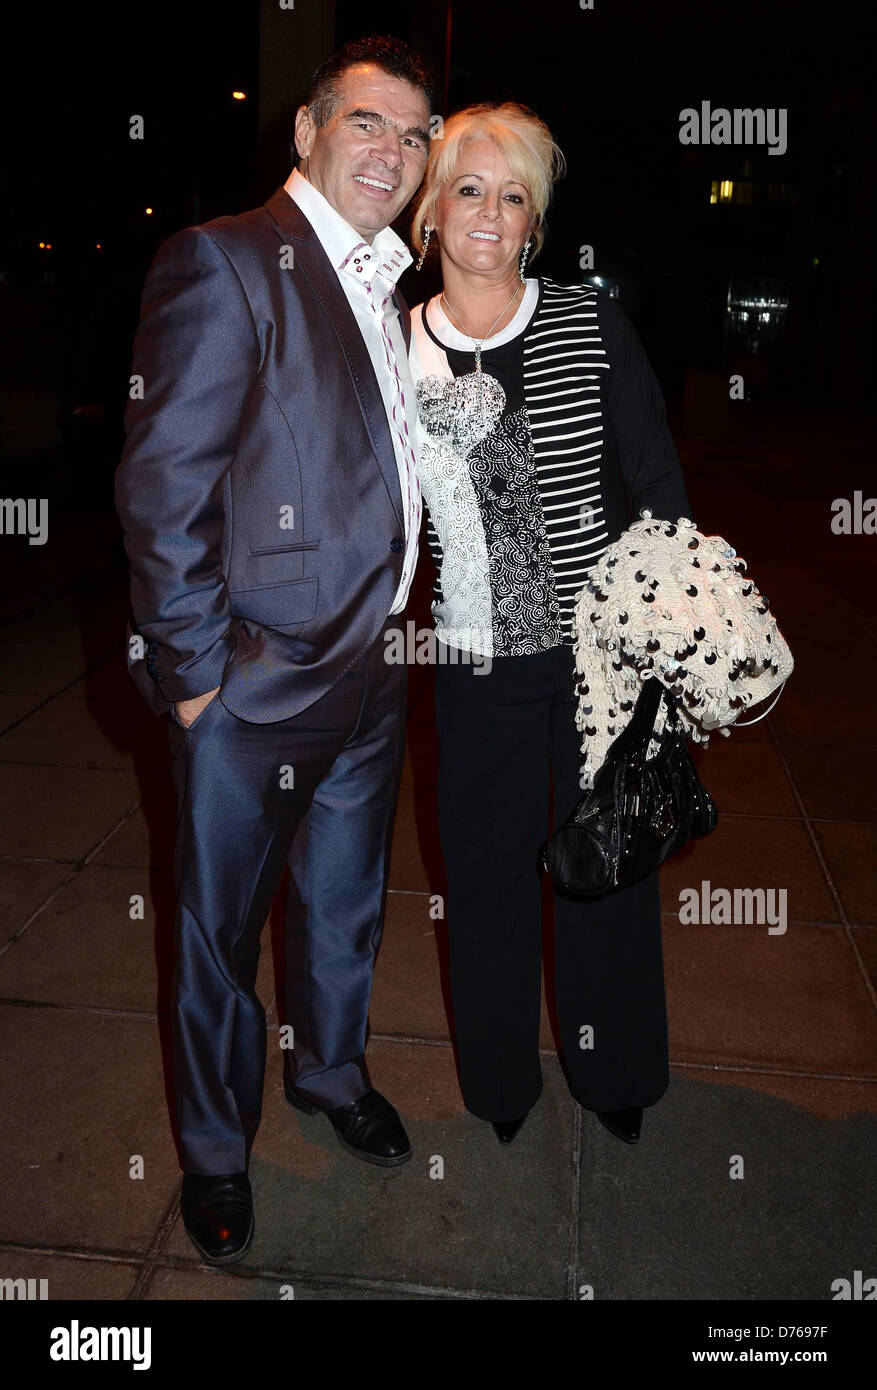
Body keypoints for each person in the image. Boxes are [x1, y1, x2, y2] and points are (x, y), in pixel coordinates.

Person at [115, 35, 432, 1265]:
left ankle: (331, 1072)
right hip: (252, 683)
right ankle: (212, 1150)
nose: (391, 150)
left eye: (412, 133)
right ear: (304, 133)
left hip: (371, 673)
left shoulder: (382, 285)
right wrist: (196, 679)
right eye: (366, 121)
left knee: (345, 904)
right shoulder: (227, 260)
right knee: (216, 939)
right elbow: (162, 486)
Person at [407, 103, 690, 1148]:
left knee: (603, 864)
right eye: (468, 188)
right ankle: (498, 1088)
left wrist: (667, 630)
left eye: (512, 195)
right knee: (481, 881)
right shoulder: (400, 352)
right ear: (431, 209)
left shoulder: (585, 321)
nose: (489, 211)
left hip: (597, 657)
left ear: (534, 222)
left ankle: (611, 1066)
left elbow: (656, 480)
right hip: (479, 660)